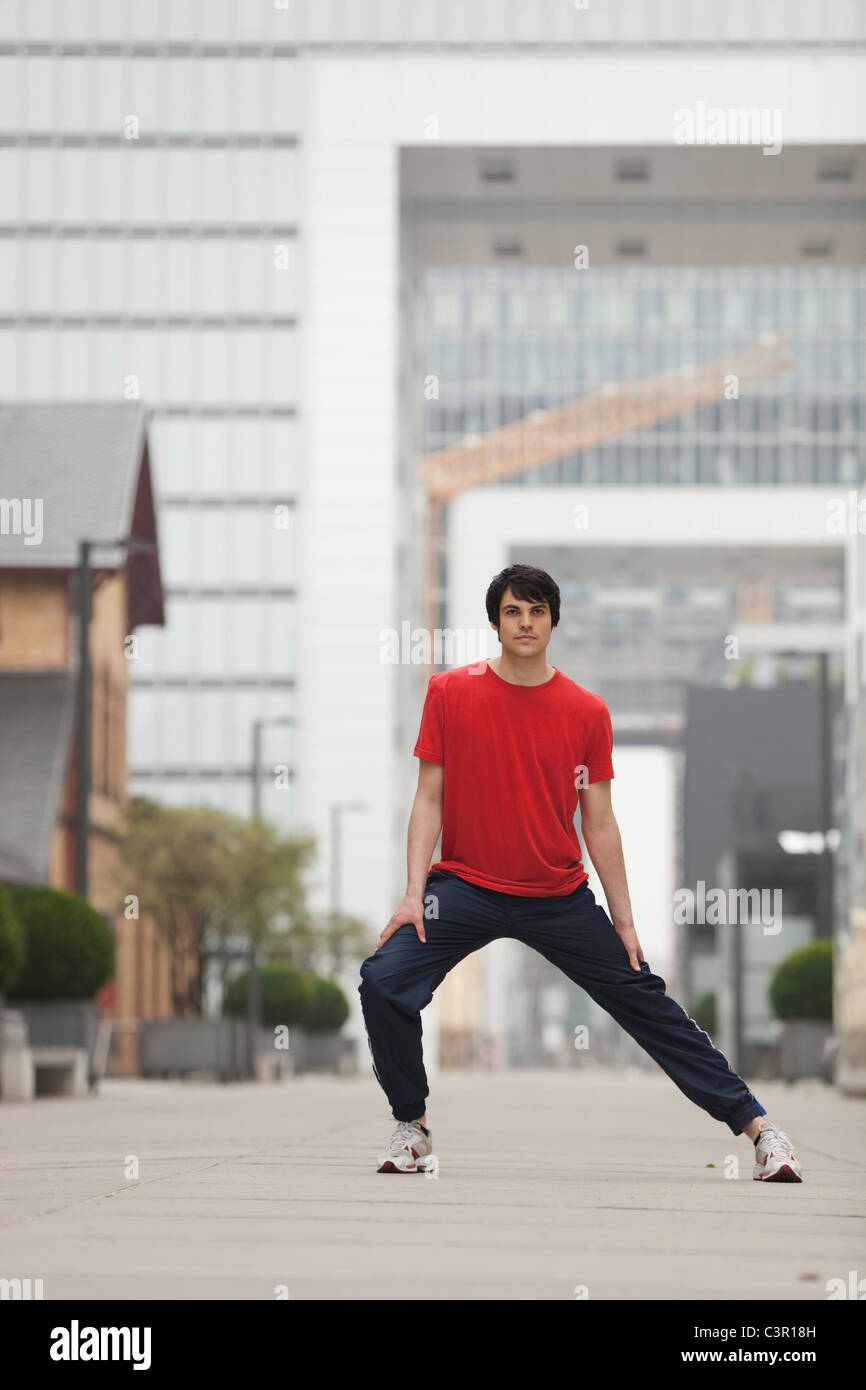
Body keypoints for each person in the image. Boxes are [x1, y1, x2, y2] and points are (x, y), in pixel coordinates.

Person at [358, 563, 803, 1183]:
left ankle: (761, 1130)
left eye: (537, 611)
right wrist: (413, 892)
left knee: (647, 1003)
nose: (525, 622)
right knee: (383, 980)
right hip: (464, 885)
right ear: (495, 621)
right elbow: (427, 798)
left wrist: (624, 922)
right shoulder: (449, 694)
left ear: (553, 622)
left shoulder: (586, 711)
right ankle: (413, 1126)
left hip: (557, 895)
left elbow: (599, 821)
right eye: (513, 611)